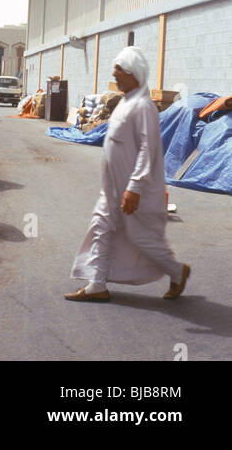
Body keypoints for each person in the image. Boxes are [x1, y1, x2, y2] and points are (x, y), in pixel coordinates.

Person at [65, 47, 191, 302]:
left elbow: (149, 149)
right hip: (112, 186)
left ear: (135, 73)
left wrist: (134, 187)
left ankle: (178, 272)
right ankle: (96, 285)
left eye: (120, 70)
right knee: (101, 226)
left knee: (141, 237)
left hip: (135, 189)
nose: (115, 75)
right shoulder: (125, 102)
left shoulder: (143, 106)